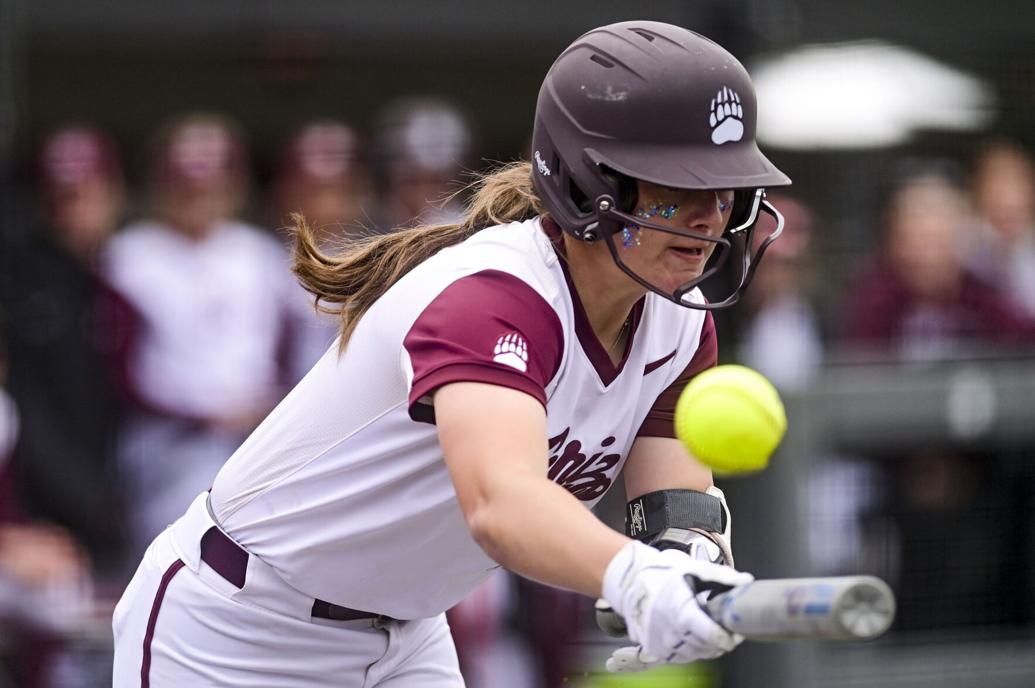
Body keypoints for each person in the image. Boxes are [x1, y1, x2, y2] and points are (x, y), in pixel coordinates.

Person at [111, 21, 791, 687]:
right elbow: (500, 503)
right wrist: (631, 577)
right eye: (679, 188)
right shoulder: (494, 297)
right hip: (234, 627)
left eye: (725, 188)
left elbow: (672, 496)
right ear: (591, 181)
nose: (709, 217)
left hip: (404, 636)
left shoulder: (677, 314)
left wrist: (685, 564)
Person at [103, 113, 311, 554]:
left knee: (253, 562)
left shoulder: (259, 254)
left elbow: (286, 351)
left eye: (211, 186)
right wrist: (196, 414)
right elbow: (116, 368)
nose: (199, 198)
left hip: (252, 439)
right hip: (164, 445)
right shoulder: (128, 256)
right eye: (186, 188)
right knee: (167, 557)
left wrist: (271, 407)